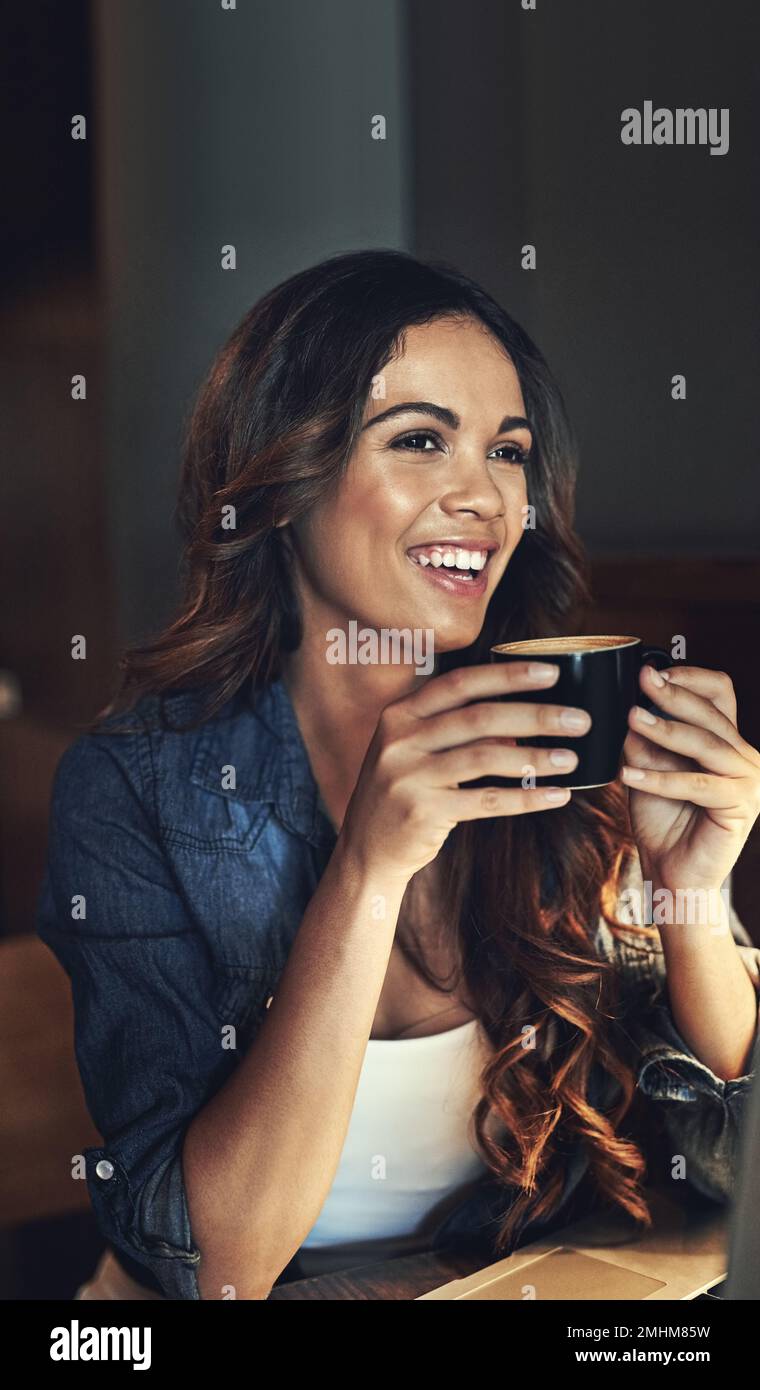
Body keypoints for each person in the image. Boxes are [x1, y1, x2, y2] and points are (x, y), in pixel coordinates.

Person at [37, 249, 760, 1301]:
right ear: (285, 478)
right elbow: (219, 1267)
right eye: (420, 440)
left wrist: (694, 893)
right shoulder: (133, 790)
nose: (483, 497)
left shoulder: (572, 742)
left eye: (507, 453)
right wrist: (367, 873)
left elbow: (731, 1172)